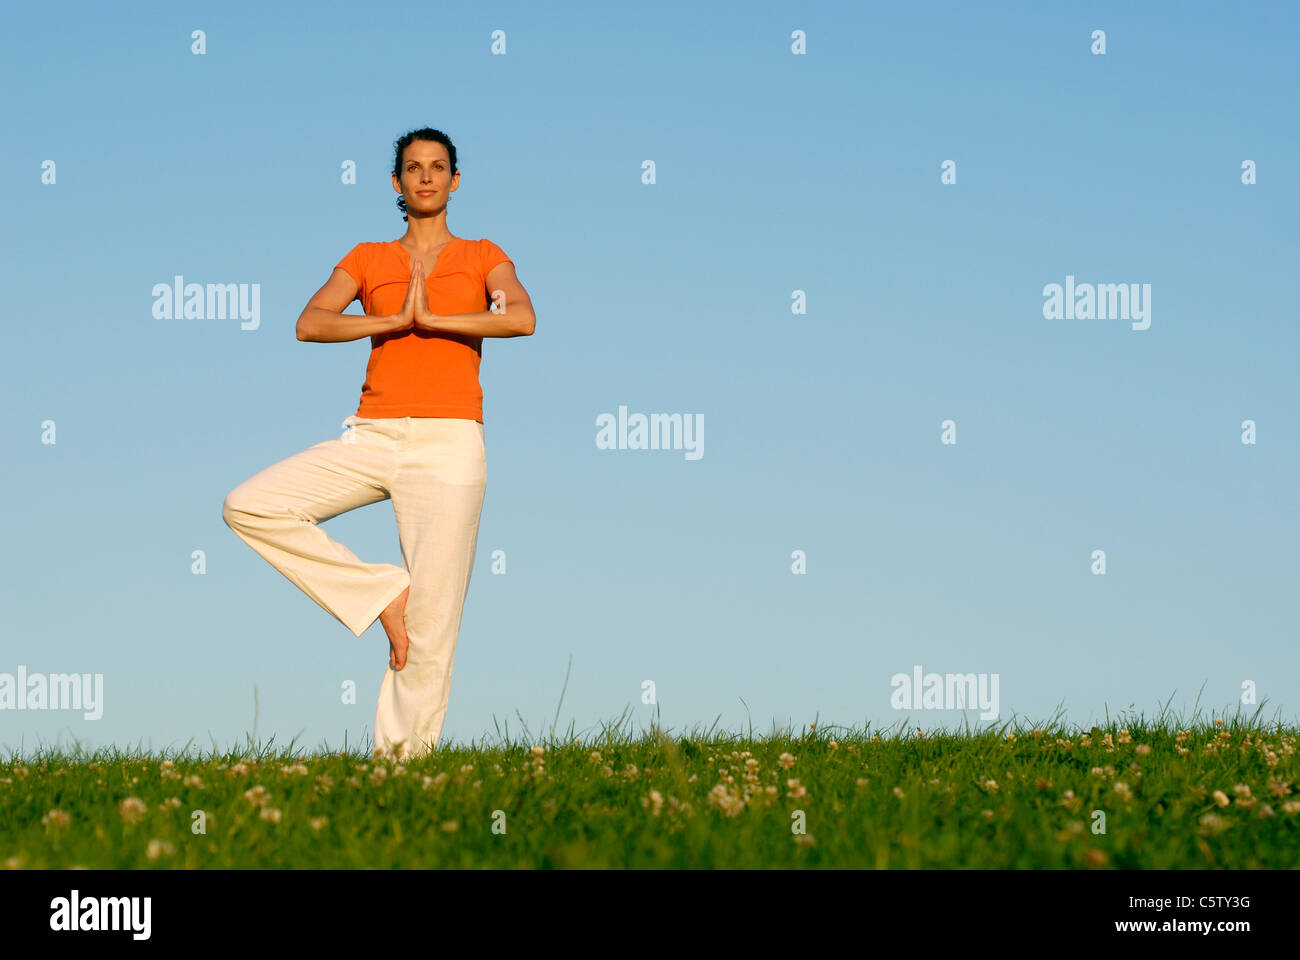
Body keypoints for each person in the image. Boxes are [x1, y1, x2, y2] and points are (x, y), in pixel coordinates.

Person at [222, 127, 535, 761]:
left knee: (432, 628)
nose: (425, 177)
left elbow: (519, 317)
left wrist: (436, 319)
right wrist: (391, 319)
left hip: (450, 444)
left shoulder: (483, 255)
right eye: (413, 168)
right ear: (396, 183)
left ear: (454, 181)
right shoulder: (369, 257)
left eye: (438, 167)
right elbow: (311, 323)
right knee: (250, 505)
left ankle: (399, 769)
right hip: (372, 434)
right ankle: (378, 592)